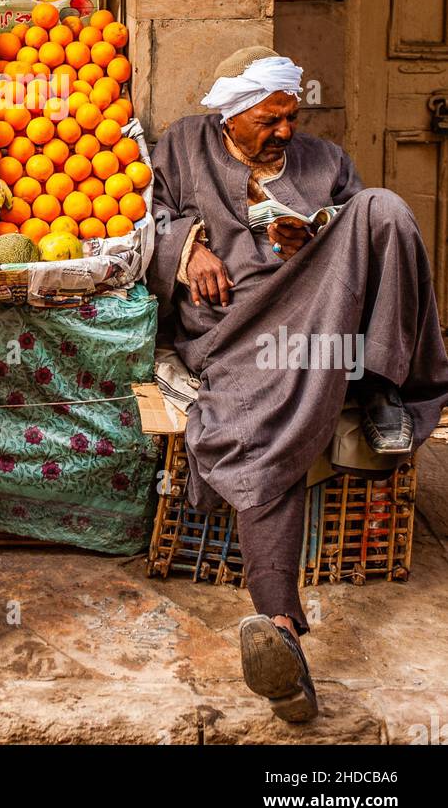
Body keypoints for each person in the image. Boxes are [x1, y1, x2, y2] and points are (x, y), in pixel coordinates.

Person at [149, 46, 448, 723]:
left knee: (386, 209)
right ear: (232, 113)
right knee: (258, 425)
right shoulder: (184, 146)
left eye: (292, 116)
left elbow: (365, 245)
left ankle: (380, 385)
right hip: (237, 325)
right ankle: (279, 623)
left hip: (322, 309)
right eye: (270, 119)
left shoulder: (324, 161)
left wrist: (313, 235)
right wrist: (187, 251)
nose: (286, 131)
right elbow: (148, 219)